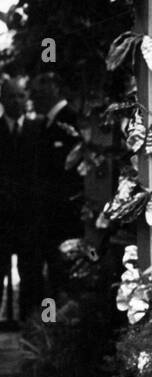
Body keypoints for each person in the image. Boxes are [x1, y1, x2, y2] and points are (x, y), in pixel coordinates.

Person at [26, 73, 84, 306]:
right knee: (51, 273)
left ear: (52, 89)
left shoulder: (68, 119)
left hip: (64, 216)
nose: (32, 98)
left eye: (36, 92)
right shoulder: (45, 124)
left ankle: (57, 320)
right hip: (49, 217)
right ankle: (50, 320)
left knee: (62, 274)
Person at [0, 74, 29, 324]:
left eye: (21, 95)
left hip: (28, 220)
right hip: (1, 219)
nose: (17, 101)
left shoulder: (37, 130)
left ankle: (35, 324)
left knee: (31, 275)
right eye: (12, 96)